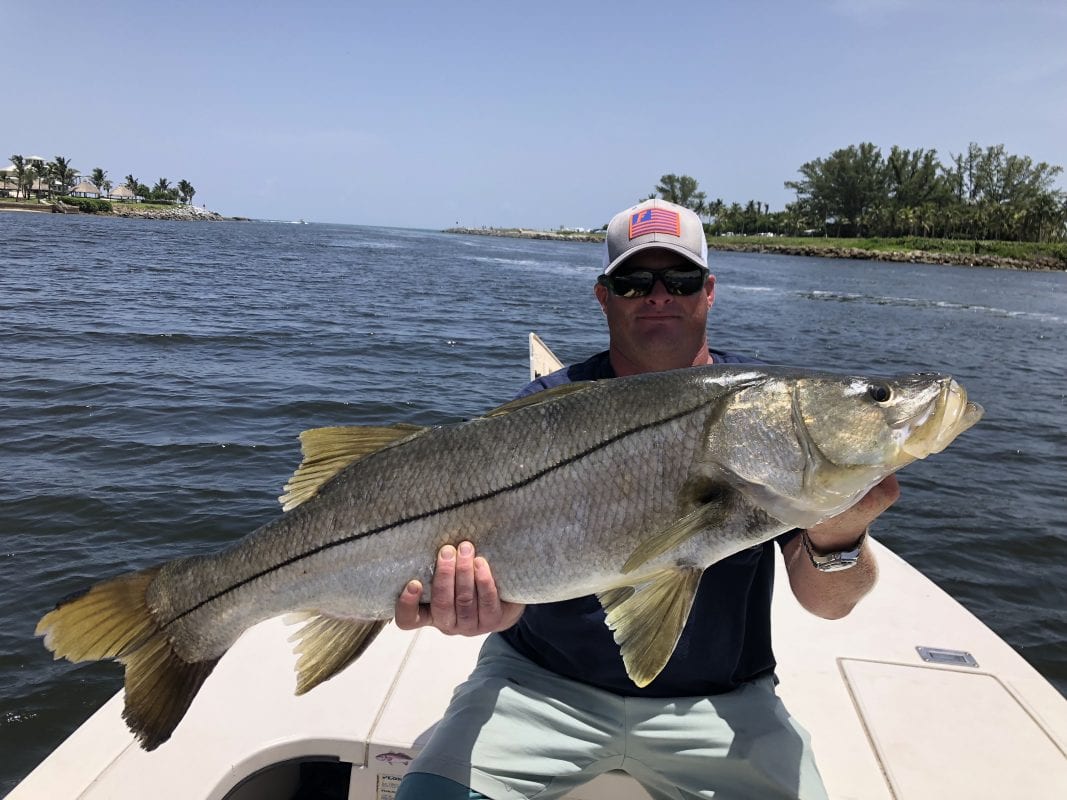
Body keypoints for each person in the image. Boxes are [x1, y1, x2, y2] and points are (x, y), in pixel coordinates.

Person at [393, 198, 898, 800]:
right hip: (537, 686)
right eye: (633, 282)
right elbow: (506, 574)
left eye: (679, 278)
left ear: (708, 291)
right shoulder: (550, 403)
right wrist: (497, 609)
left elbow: (828, 605)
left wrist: (840, 533)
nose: (658, 295)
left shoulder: (765, 412)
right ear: (604, 296)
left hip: (722, 704)